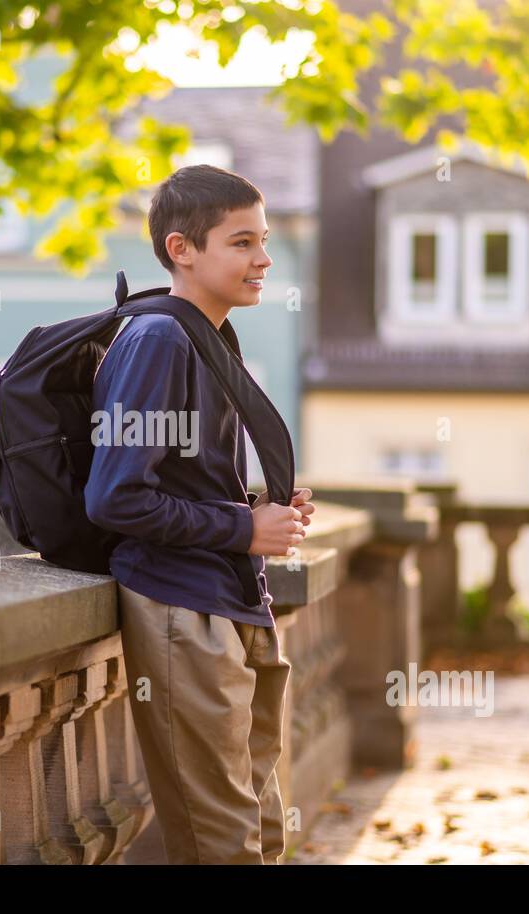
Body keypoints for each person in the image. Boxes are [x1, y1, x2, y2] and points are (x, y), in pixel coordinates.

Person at [83, 164, 314, 864]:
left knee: (261, 829)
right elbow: (115, 495)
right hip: (183, 610)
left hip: (230, 602)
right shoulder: (157, 341)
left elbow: (177, 478)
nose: (264, 259)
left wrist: (257, 510)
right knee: (224, 843)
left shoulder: (205, 336)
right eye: (242, 242)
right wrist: (245, 528)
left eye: (264, 241)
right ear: (182, 249)